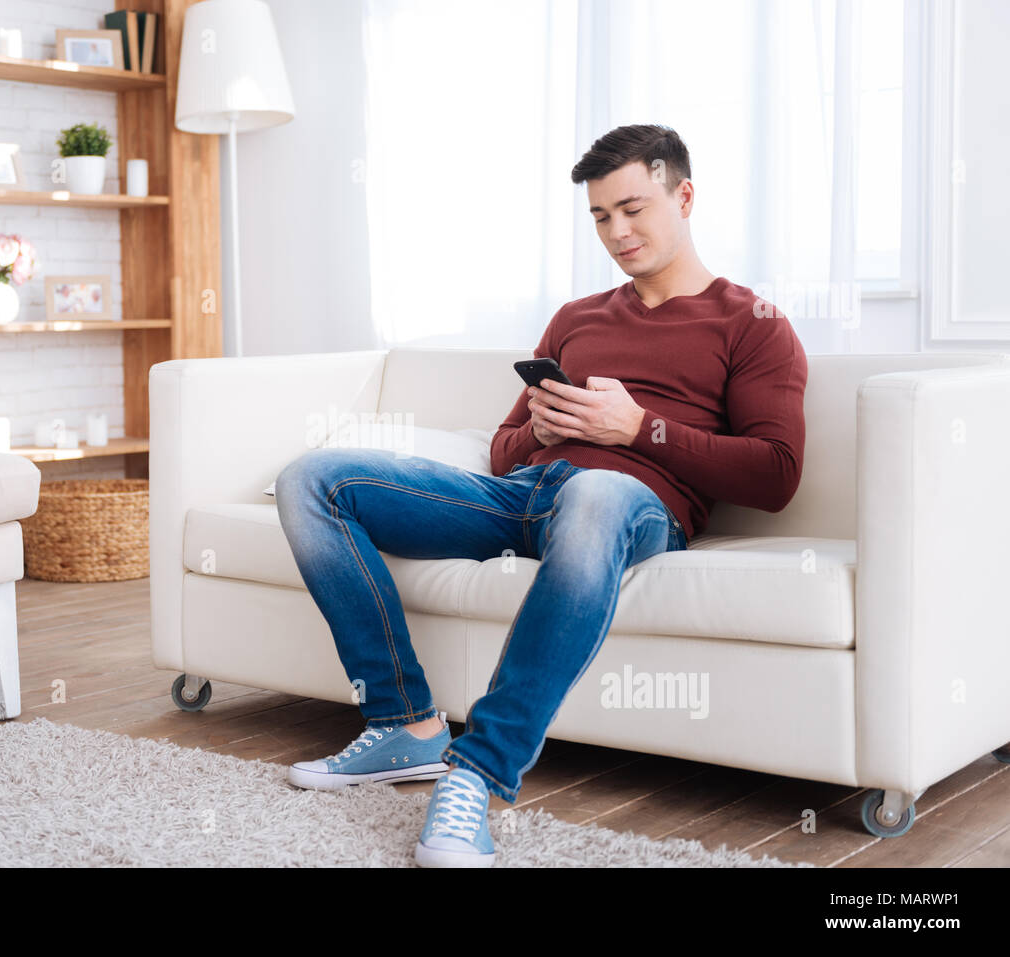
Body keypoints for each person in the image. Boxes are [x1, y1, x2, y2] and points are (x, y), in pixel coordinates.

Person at [273, 123, 808, 867]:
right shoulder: (577, 317)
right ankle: (405, 723)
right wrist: (542, 431)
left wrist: (639, 430)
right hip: (524, 497)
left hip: (630, 509)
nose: (616, 231)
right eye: (600, 216)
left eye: (633, 208)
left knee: (594, 492)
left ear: (683, 196)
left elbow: (776, 474)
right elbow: (502, 449)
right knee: (310, 480)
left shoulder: (752, 324)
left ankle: (477, 771)